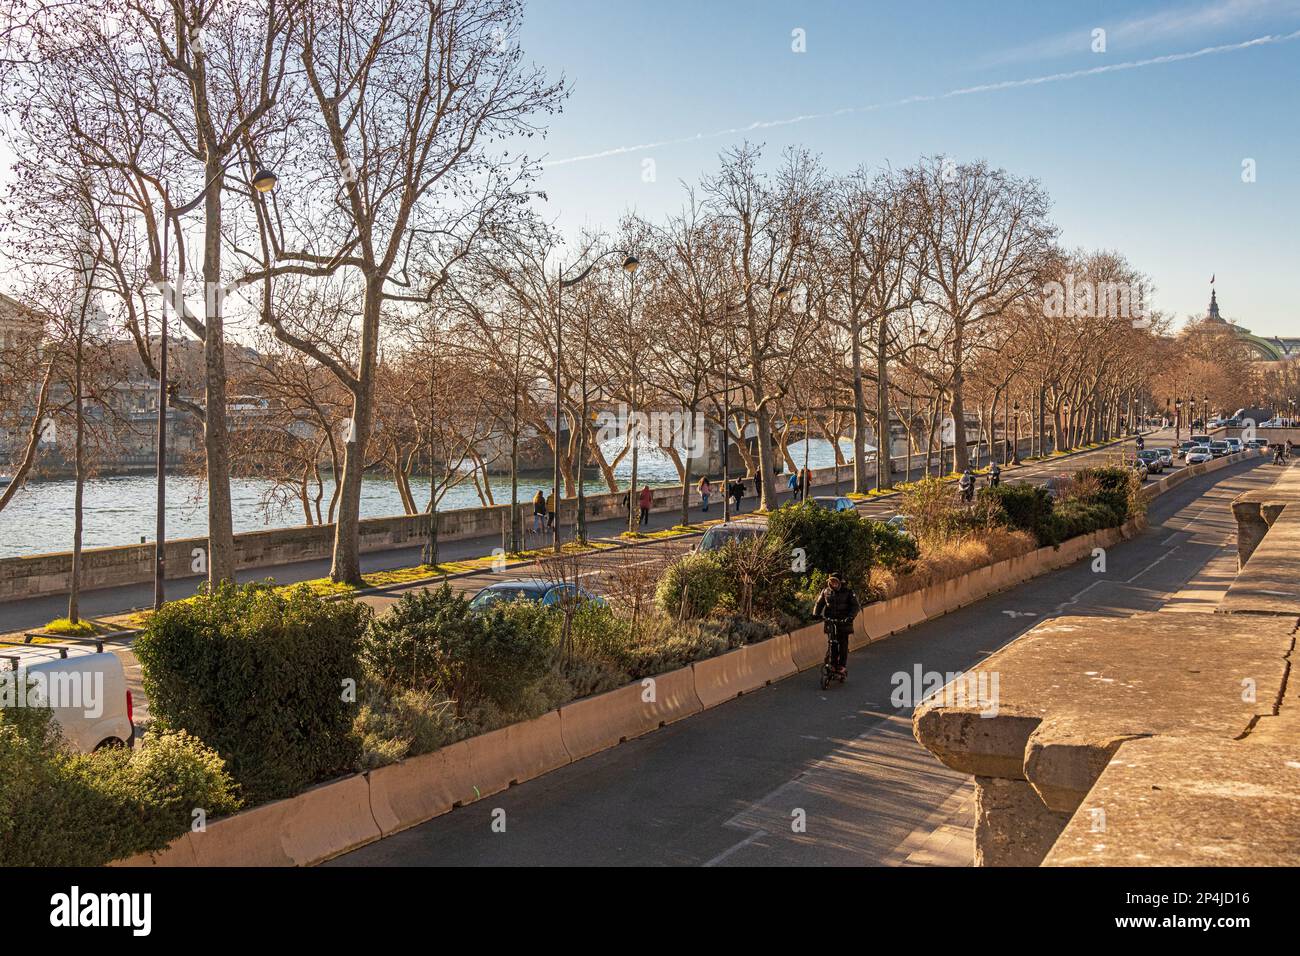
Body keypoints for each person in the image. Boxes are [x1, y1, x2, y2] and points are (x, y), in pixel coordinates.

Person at [812, 572, 860, 677]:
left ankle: (842, 665)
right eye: (831, 581)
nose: (833, 583)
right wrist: (815, 613)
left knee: (843, 644)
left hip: (844, 622)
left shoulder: (848, 592)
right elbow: (819, 603)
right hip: (831, 621)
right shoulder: (825, 591)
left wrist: (850, 617)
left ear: (840, 582)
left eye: (835, 581)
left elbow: (855, 606)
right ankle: (833, 663)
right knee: (832, 643)